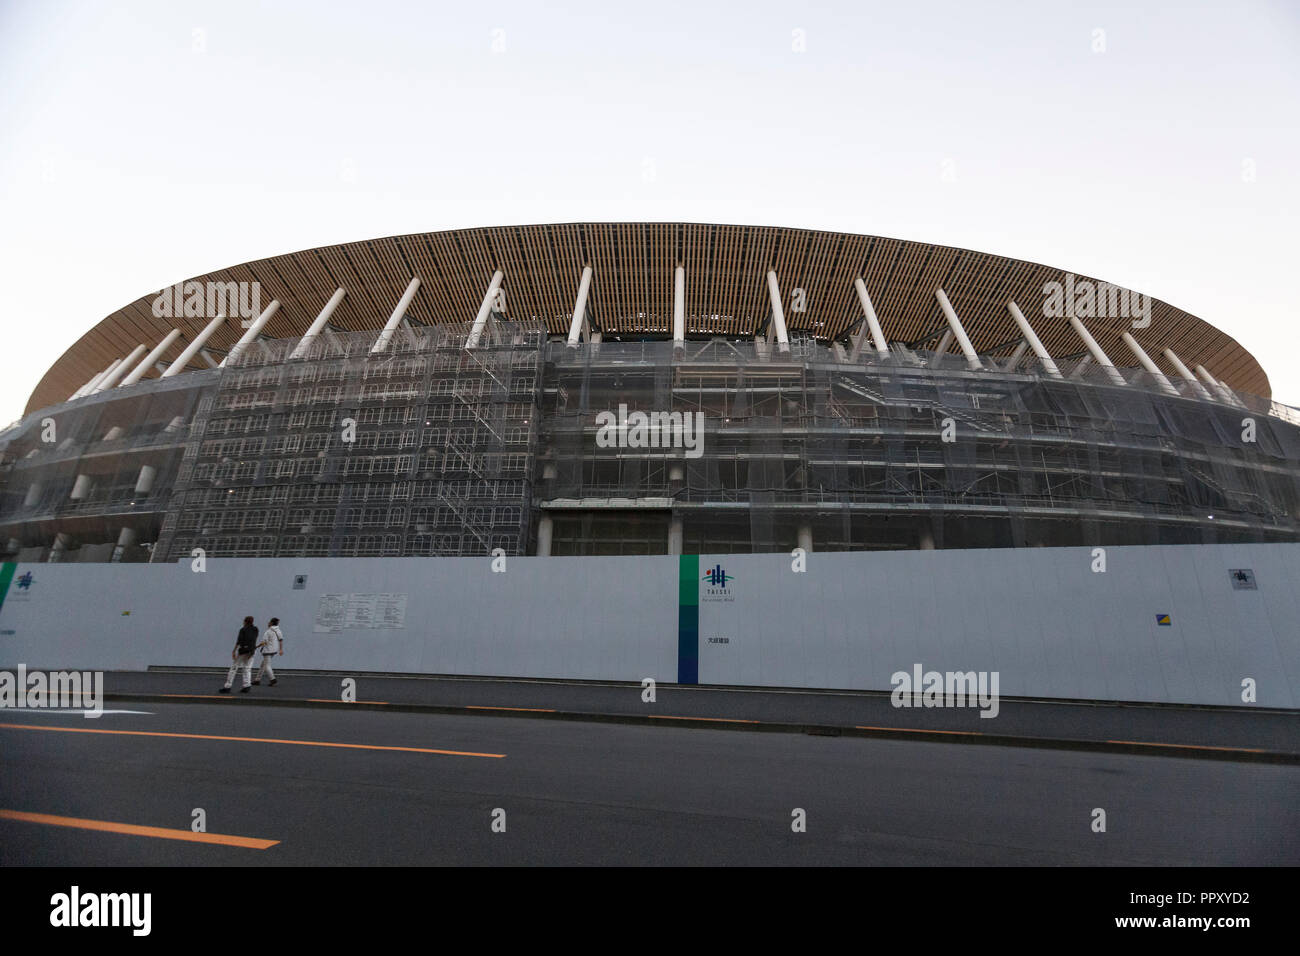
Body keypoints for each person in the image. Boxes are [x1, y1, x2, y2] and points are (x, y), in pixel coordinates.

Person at [220, 616, 259, 693]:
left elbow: (239, 641)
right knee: (247, 668)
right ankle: (247, 685)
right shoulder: (255, 629)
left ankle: (228, 686)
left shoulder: (243, 630)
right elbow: (254, 639)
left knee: (234, 668)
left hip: (243, 651)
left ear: (245, 621)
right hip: (252, 651)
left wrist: (234, 651)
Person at [253, 617, 284, 687]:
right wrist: (281, 649)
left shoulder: (268, 631)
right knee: (263, 664)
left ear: (271, 623)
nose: (268, 623)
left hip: (268, 650)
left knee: (267, 666)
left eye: (269, 622)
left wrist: (256, 646)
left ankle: (272, 679)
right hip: (274, 650)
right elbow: (281, 640)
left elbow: (264, 642)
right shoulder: (278, 630)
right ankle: (257, 680)